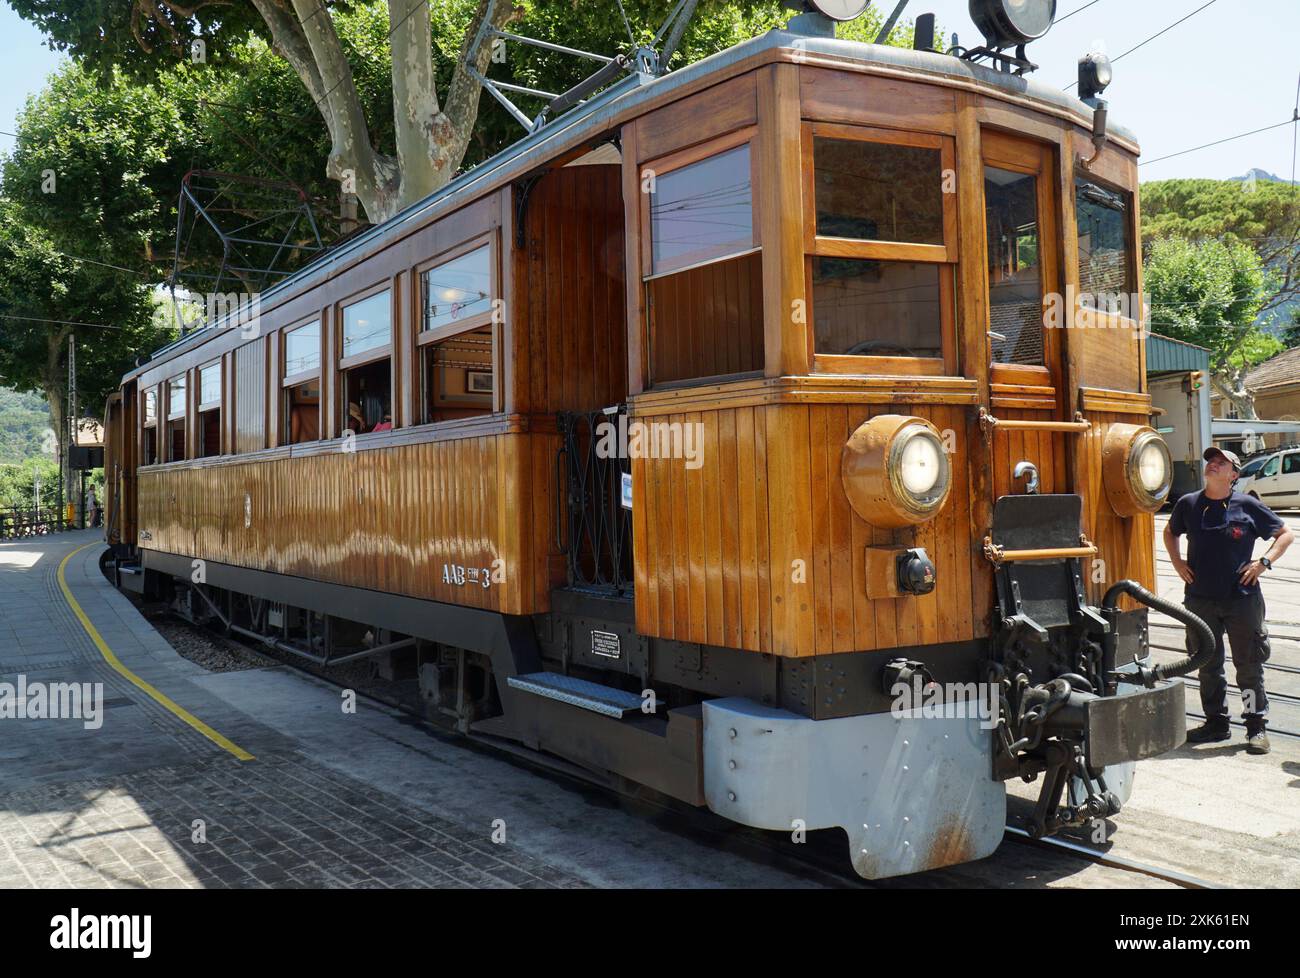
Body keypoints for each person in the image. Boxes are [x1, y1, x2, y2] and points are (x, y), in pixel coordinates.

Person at [1164, 446, 1295, 754]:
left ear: (1233, 475)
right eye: (1211, 460)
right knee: (1207, 664)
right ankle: (1216, 724)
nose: (1212, 464)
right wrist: (1177, 562)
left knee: (1248, 665)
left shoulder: (1247, 504)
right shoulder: (1188, 504)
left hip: (1242, 600)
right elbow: (1170, 532)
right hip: (1199, 601)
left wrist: (1263, 562)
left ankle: (1255, 727)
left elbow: (1285, 534)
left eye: (1221, 462)